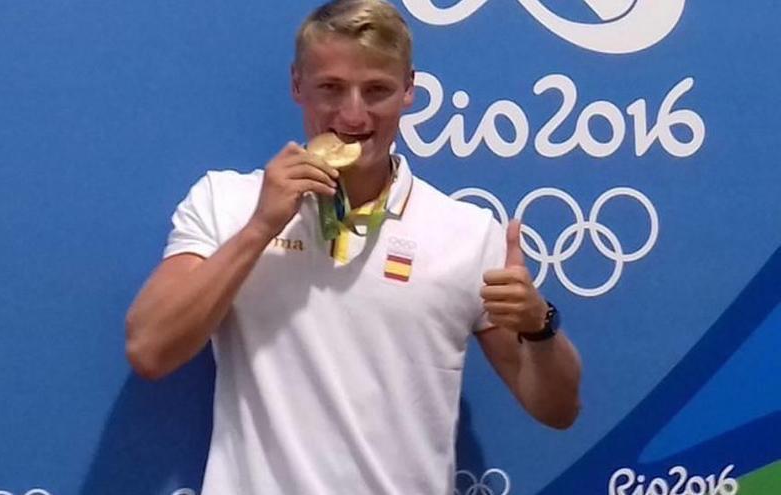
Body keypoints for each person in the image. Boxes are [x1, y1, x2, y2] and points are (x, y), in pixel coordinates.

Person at [125, 0, 582, 493]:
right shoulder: (227, 202)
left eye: (377, 90)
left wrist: (539, 327)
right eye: (331, 88)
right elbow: (150, 349)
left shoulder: (468, 232)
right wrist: (260, 228)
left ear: (409, 90)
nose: (353, 114)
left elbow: (557, 410)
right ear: (297, 85)